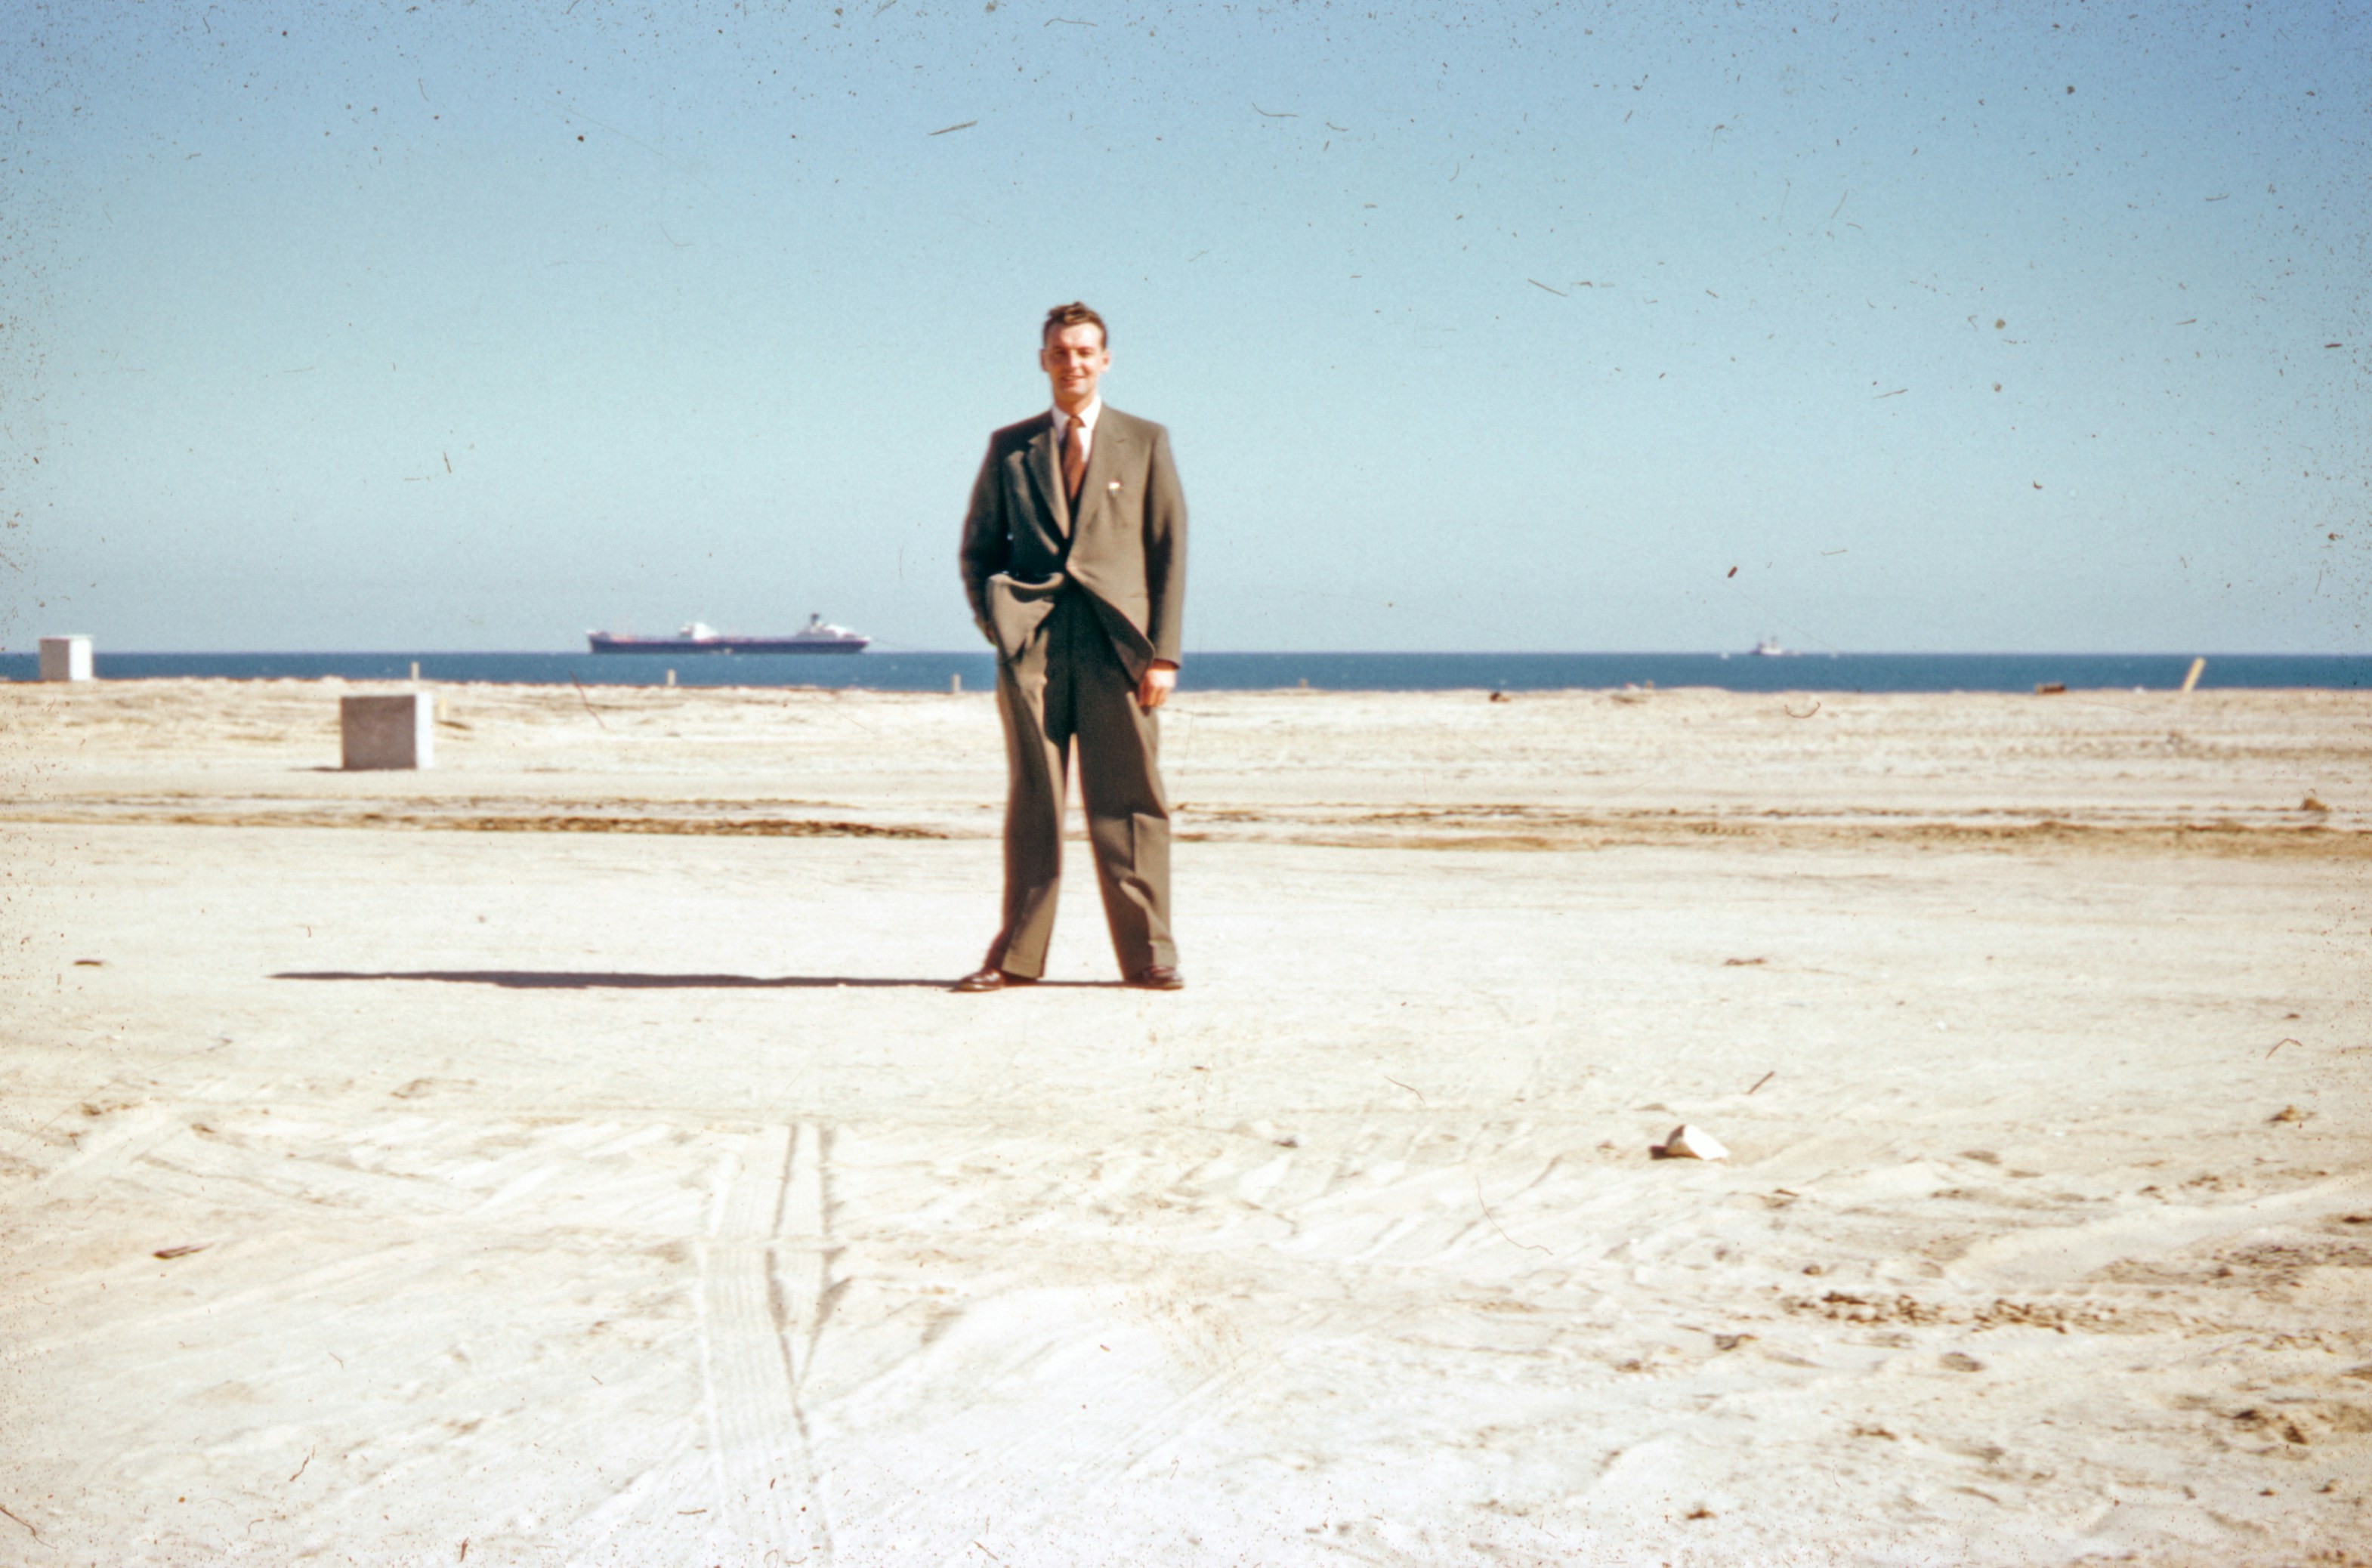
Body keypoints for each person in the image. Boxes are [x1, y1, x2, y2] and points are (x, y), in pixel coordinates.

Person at [955, 302, 1187, 992]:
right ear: (1043, 360)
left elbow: (1168, 551)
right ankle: (1016, 958)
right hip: (1035, 649)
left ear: (1105, 360)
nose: (1072, 363)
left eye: (1085, 352)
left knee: (1132, 802)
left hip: (1122, 649)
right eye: (1060, 352)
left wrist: (1165, 654)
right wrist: (1001, 625)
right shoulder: (1011, 447)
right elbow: (978, 549)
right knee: (1035, 802)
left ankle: (1150, 955)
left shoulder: (1145, 441)